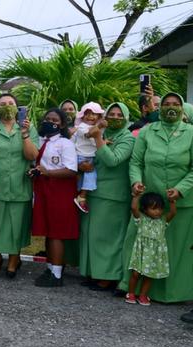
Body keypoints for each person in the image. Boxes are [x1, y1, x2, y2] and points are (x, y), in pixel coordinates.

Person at [119, 92, 193, 303]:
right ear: (159, 109)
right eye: (166, 104)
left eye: (175, 104)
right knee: (138, 243)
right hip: (148, 200)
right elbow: (136, 162)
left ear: (182, 108)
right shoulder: (147, 131)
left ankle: (173, 293)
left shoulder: (191, 132)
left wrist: (181, 188)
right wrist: (136, 182)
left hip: (180, 202)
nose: (171, 107)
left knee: (175, 250)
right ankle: (130, 288)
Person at [0, 94, 38, 279]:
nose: (7, 107)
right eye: (3, 104)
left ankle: (13, 261)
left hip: (20, 187)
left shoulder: (28, 128)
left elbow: (32, 156)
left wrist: (25, 134)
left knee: (16, 227)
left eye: (11, 104)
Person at [78, 102, 135, 291]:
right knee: (91, 235)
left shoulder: (127, 138)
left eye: (120, 115)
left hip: (113, 195)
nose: (116, 117)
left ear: (126, 117)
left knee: (108, 238)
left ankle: (108, 276)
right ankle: (92, 272)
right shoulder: (103, 132)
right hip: (93, 191)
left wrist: (97, 138)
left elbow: (112, 160)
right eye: (112, 114)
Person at [31, 109, 79, 287]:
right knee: (48, 231)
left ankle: (57, 274)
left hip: (60, 190)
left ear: (63, 124)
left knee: (57, 232)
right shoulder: (43, 141)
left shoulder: (65, 143)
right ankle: (50, 268)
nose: (50, 122)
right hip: (44, 189)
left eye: (55, 120)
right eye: (47, 119)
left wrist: (47, 172)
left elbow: (71, 170)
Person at [125, 192, 176, 306]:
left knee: (149, 276)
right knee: (135, 274)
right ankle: (131, 293)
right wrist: (136, 196)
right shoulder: (141, 219)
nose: (158, 211)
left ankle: (143, 295)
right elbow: (134, 208)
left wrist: (172, 201)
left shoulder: (163, 221)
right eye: (154, 208)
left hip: (155, 254)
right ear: (145, 209)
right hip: (141, 251)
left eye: (160, 208)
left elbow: (173, 213)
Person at [72, 102, 105, 213]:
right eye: (87, 114)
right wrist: (99, 126)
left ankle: (80, 195)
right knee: (91, 175)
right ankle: (81, 197)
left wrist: (105, 142)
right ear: (82, 116)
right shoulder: (82, 127)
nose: (90, 116)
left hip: (90, 156)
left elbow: (96, 142)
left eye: (93, 114)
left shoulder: (99, 129)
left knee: (85, 177)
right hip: (81, 156)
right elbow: (89, 135)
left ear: (99, 116)